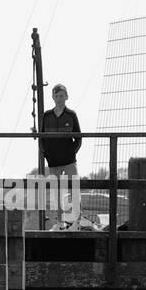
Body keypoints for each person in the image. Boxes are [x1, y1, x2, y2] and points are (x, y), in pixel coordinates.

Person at [40, 84, 98, 230]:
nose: (59, 99)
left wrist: (71, 153)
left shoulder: (71, 115)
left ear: (66, 97)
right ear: (53, 97)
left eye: (61, 96)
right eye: (56, 96)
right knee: (57, 192)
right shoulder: (46, 116)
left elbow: (78, 137)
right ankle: (60, 222)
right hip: (53, 162)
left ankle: (77, 222)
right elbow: (41, 138)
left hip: (69, 161)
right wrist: (46, 154)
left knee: (74, 190)